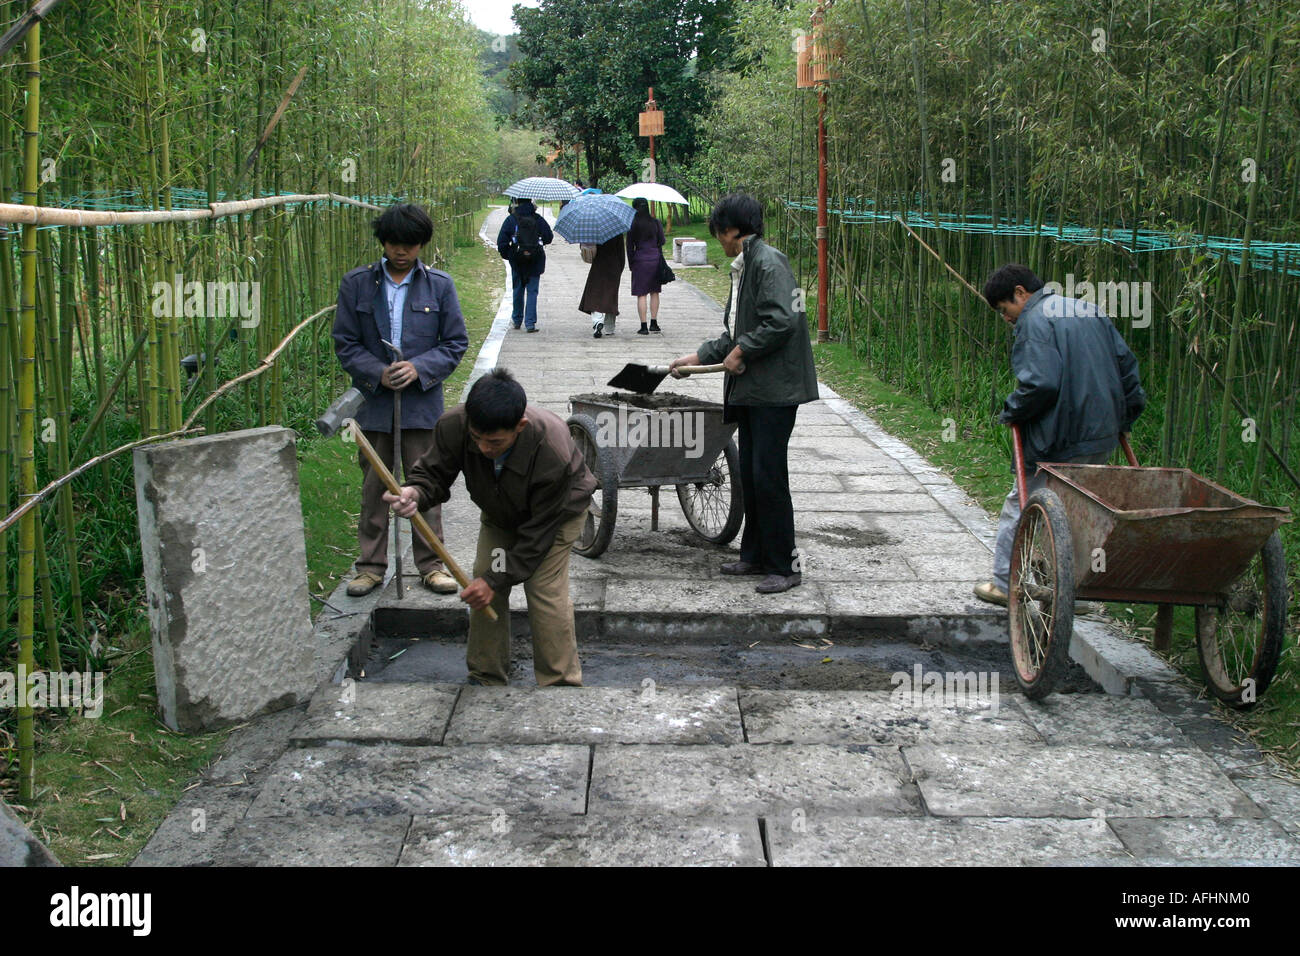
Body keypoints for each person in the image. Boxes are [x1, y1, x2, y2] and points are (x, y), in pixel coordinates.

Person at [383, 368, 597, 686]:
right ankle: (487, 674)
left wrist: (495, 580)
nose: (484, 448)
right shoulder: (454, 425)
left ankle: (560, 682)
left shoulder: (551, 448)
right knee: (483, 581)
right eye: (477, 438)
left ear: (519, 426)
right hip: (500, 513)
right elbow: (433, 473)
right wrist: (415, 491)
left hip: (555, 518)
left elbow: (536, 538)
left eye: (495, 441)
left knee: (543, 589)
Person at [668, 192, 818, 594]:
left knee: (769, 476)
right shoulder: (744, 265)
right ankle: (753, 555)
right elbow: (734, 334)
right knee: (751, 475)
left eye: (718, 231)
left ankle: (785, 567)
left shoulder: (769, 262)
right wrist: (697, 356)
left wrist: (742, 350)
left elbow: (784, 319)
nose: (717, 237)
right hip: (751, 392)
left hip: (774, 392)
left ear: (733, 229)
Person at [974, 263, 1147, 606]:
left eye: (1004, 309)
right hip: (1102, 435)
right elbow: (1127, 370)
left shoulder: (1034, 322)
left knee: (1021, 505)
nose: (1006, 318)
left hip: (1056, 437)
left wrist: (1012, 409)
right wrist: (1127, 414)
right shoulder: (1090, 311)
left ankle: (1004, 584)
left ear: (1020, 293)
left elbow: (1041, 383)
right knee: (1079, 511)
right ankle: (1076, 592)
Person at [332, 202, 468, 597]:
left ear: (422, 244)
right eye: (394, 243)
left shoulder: (439, 286)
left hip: (421, 406)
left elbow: (454, 342)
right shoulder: (356, 284)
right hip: (374, 404)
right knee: (375, 486)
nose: (401, 251)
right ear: (383, 242)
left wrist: (418, 368)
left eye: (410, 244)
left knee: (423, 484)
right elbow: (345, 342)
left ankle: (431, 565)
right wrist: (377, 372)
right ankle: (370, 567)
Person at [496, 197, 553, 332]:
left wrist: (509, 255)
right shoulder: (538, 219)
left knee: (518, 289)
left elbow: (502, 242)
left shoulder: (511, 219)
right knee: (532, 291)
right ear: (531, 202)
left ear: (517, 202)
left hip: (517, 260)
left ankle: (517, 320)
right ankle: (530, 323)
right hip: (535, 260)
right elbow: (549, 237)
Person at [626, 197, 665, 334]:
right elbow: (662, 241)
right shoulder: (656, 223)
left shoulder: (632, 224)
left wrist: (631, 263)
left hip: (640, 260)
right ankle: (654, 323)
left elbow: (630, 247)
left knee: (641, 294)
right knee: (655, 291)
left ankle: (643, 326)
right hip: (654, 259)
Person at [580, 233, 625, 337]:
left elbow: (585, 247)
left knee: (595, 293)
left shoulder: (593, 228)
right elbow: (621, 251)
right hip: (614, 265)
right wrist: (620, 268)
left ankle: (598, 321)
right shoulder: (617, 230)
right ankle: (609, 327)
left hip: (598, 264)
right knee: (611, 295)